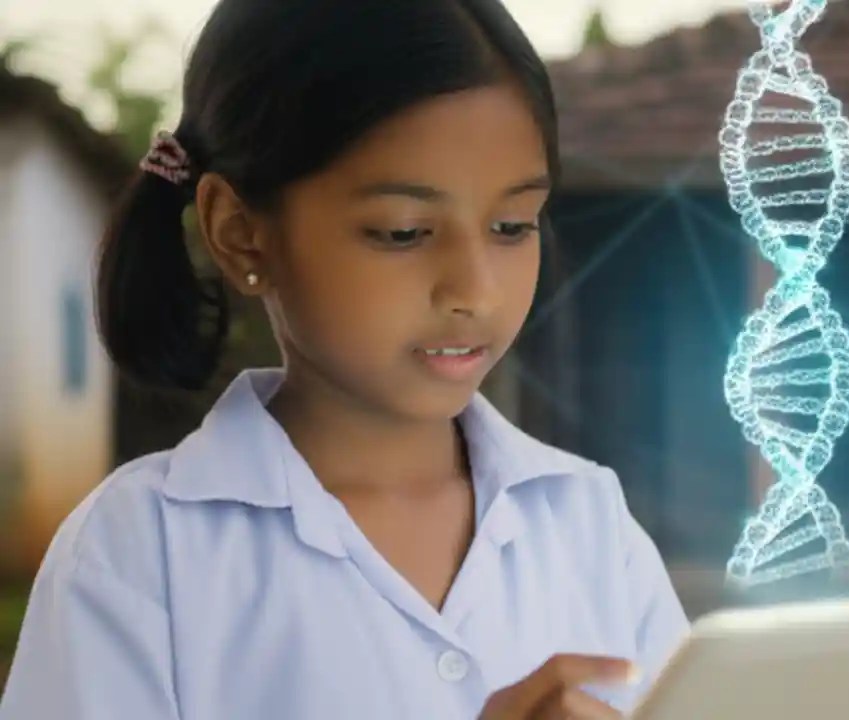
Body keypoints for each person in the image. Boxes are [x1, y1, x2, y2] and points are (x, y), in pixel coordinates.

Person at [0, 1, 688, 717]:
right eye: (403, 232)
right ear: (239, 234)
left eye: (512, 226)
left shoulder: (588, 525)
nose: (474, 290)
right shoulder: (140, 552)